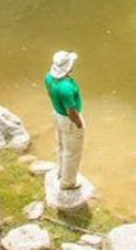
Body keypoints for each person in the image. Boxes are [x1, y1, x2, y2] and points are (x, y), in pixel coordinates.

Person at [44, 50, 84, 190]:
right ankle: (68, 182)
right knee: (72, 152)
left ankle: (60, 172)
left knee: (60, 145)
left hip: (56, 114)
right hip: (69, 120)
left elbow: (49, 93)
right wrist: (78, 123)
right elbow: (70, 111)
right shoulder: (66, 87)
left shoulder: (49, 77)